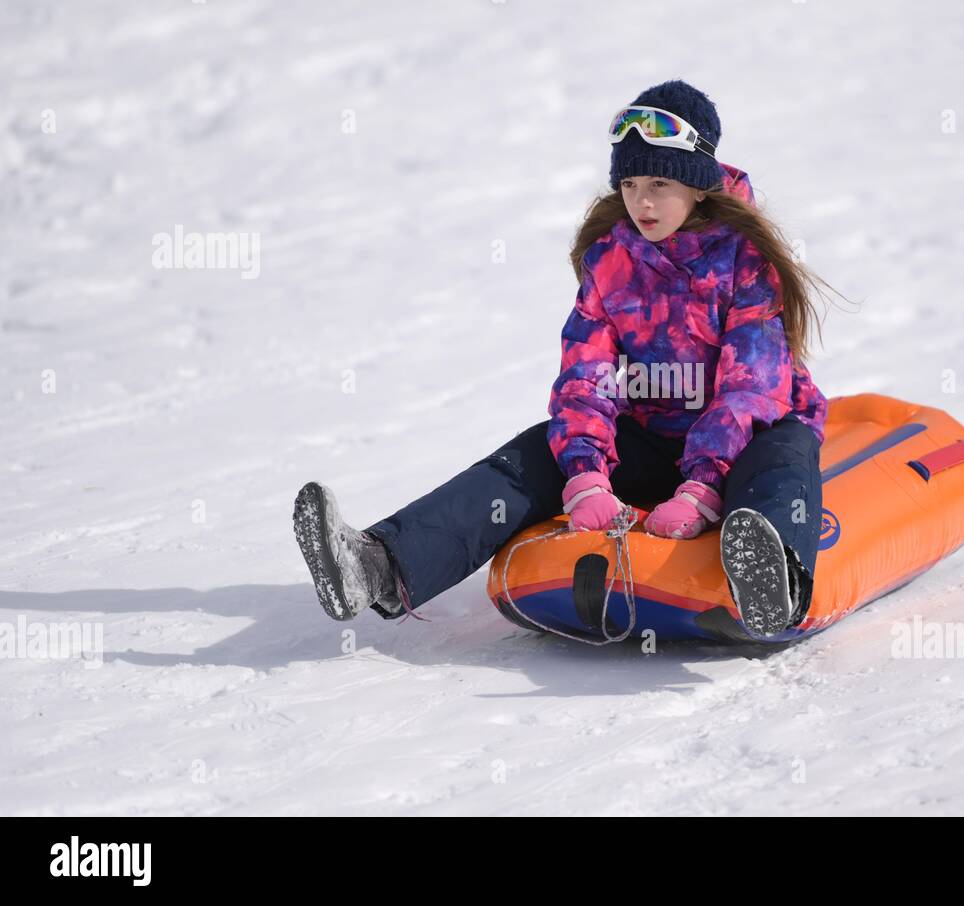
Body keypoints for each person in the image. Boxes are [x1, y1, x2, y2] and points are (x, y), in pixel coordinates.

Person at [293, 79, 838, 639]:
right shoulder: (611, 263)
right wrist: (586, 476)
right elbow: (586, 377)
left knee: (785, 456)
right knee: (537, 450)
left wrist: (702, 486)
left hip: (752, 434)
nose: (641, 201)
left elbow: (752, 389)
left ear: (698, 186)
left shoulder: (746, 262)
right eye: (629, 182)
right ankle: (379, 567)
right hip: (656, 435)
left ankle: (772, 579)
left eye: (659, 183)